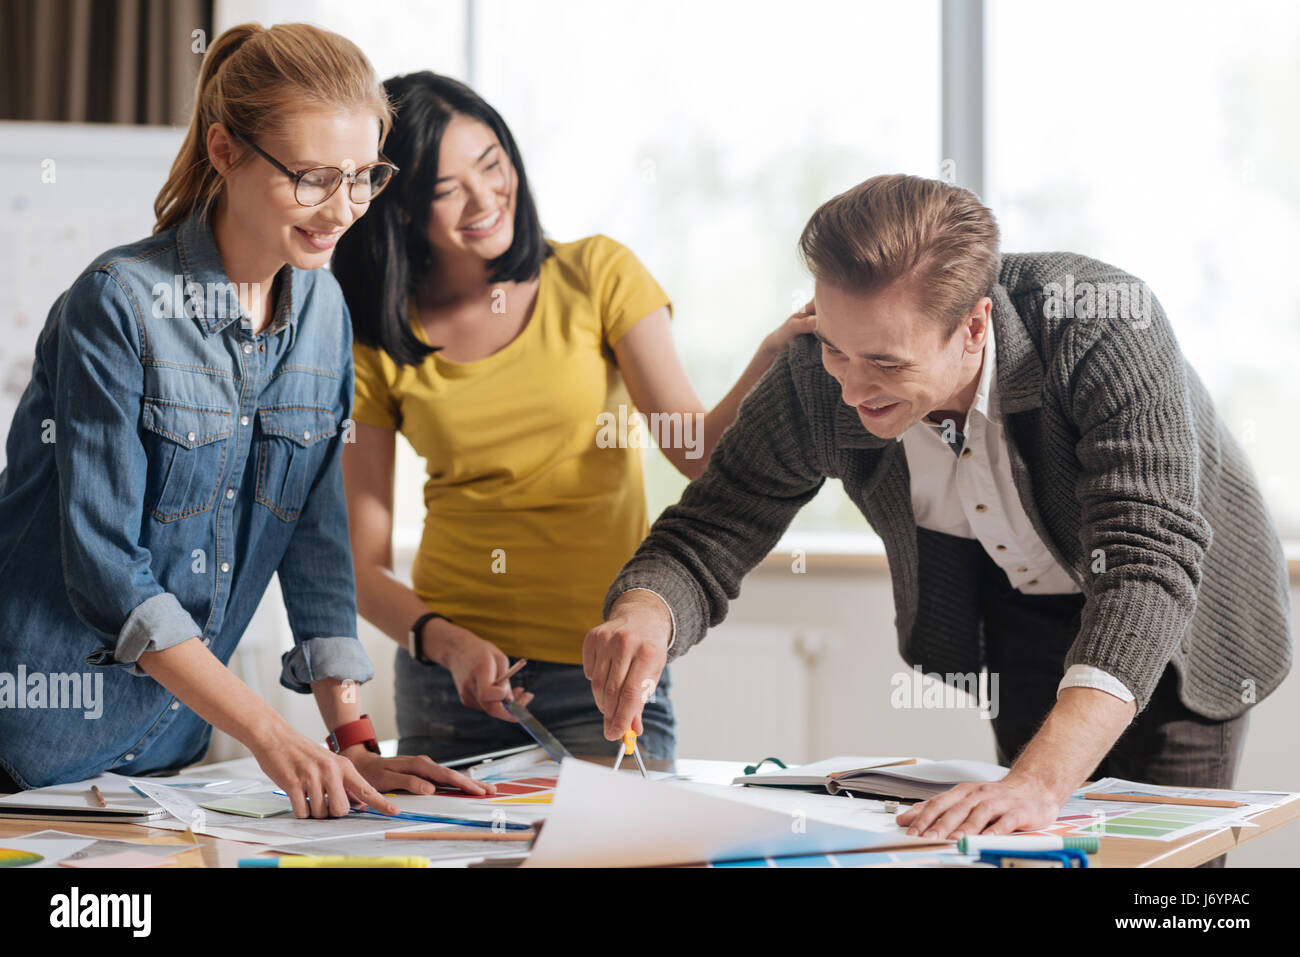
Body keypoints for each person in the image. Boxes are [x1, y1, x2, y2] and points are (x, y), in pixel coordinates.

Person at [584, 173, 1290, 863]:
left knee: (1150, 873)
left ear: (975, 324)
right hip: (1020, 612)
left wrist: (1042, 780)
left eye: (885, 363)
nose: (852, 388)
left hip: (1178, 624)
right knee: (1024, 844)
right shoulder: (816, 376)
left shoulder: (1102, 324)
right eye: (835, 346)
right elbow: (710, 529)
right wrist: (646, 611)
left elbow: (1145, 565)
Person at [0, 23, 493, 813]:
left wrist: (353, 740)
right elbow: (107, 570)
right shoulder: (118, 305)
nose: (342, 209)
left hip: (167, 755)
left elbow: (314, 535)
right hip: (27, 745)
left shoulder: (325, 310)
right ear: (225, 151)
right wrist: (271, 735)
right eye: (312, 178)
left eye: (364, 177)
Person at [332, 72, 814, 762]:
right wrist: (449, 642)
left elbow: (697, 451)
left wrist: (770, 355)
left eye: (491, 164)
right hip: (452, 680)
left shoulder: (598, 275)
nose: (484, 198)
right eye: (445, 188)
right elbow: (362, 564)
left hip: (606, 671)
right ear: (403, 208)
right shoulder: (378, 339)